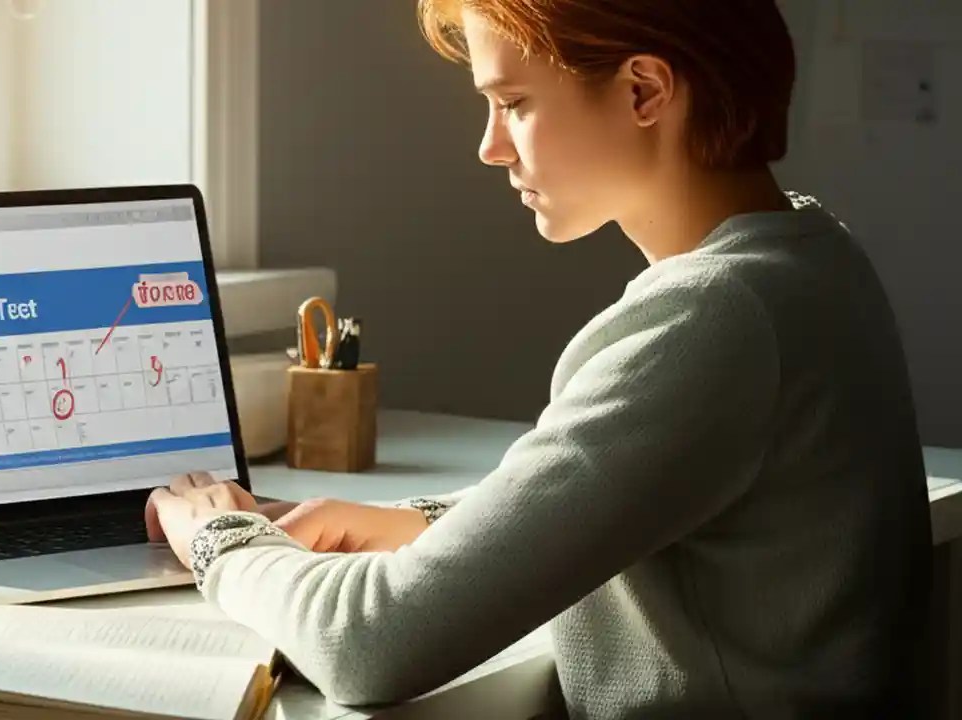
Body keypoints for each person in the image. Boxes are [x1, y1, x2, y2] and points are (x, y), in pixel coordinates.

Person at [144, 1, 934, 717]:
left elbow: (367, 644)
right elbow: (651, 488)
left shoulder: (714, 317)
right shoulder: (815, 259)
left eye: (514, 104)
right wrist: (425, 525)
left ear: (644, 92)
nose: (490, 148)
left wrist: (222, 540)